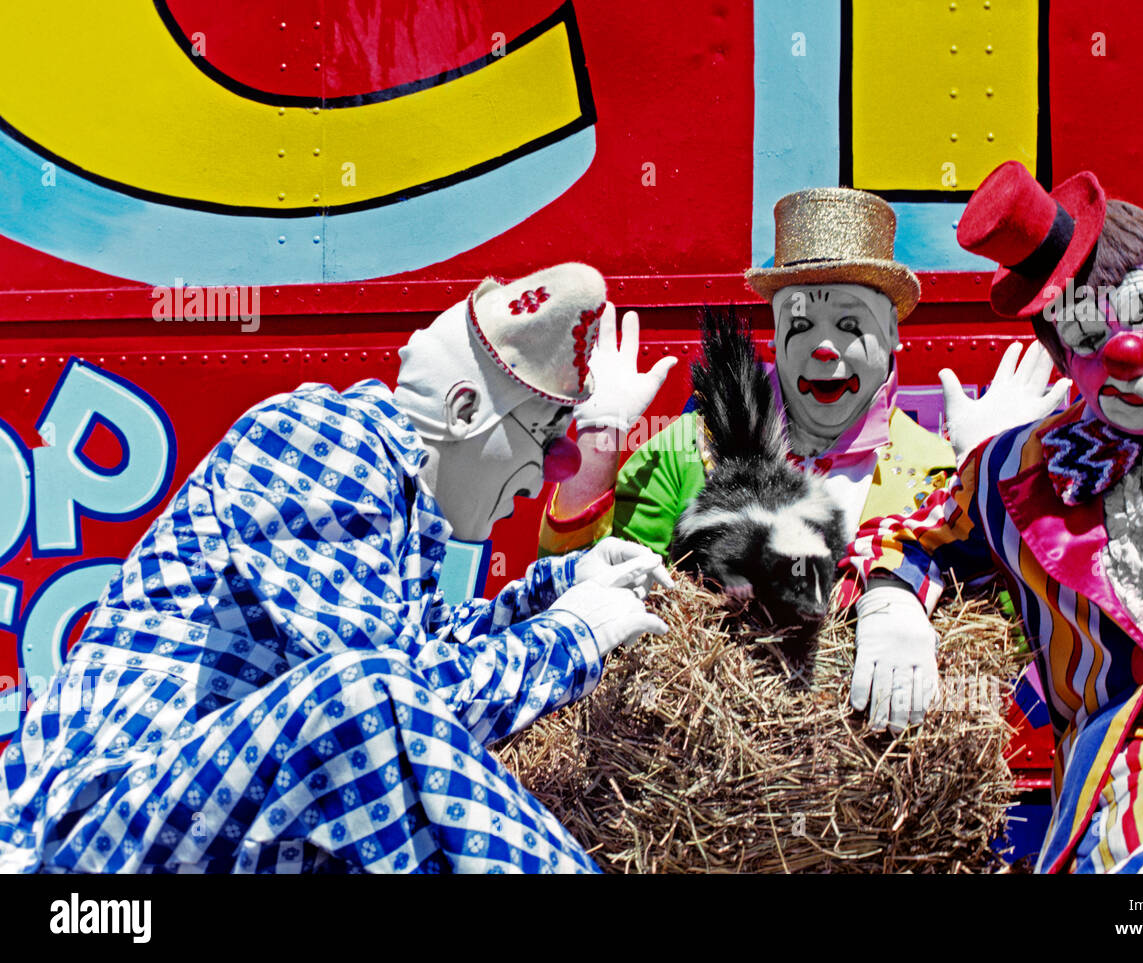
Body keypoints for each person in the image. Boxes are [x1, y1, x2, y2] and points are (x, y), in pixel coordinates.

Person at [0, 262, 673, 874]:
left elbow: (428, 652)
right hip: (79, 842)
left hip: (192, 832)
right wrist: (569, 636)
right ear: (465, 410)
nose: (551, 470)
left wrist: (564, 586)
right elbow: (401, 701)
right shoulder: (322, 438)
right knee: (364, 694)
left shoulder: (402, 508)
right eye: (546, 435)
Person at [848, 160, 1143, 873]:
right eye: (1087, 340)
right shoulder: (1016, 470)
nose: (1124, 352)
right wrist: (890, 604)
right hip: (1125, 799)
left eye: (1140, 314)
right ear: (1063, 362)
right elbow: (909, 538)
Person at [540, 188, 1068, 731]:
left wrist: (998, 474)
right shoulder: (690, 448)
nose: (823, 349)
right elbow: (580, 598)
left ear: (892, 335)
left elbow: (1020, 640)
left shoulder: (941, 475)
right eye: (800, 325)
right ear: (775, 333)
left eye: (849, 325)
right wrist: (597, 447)